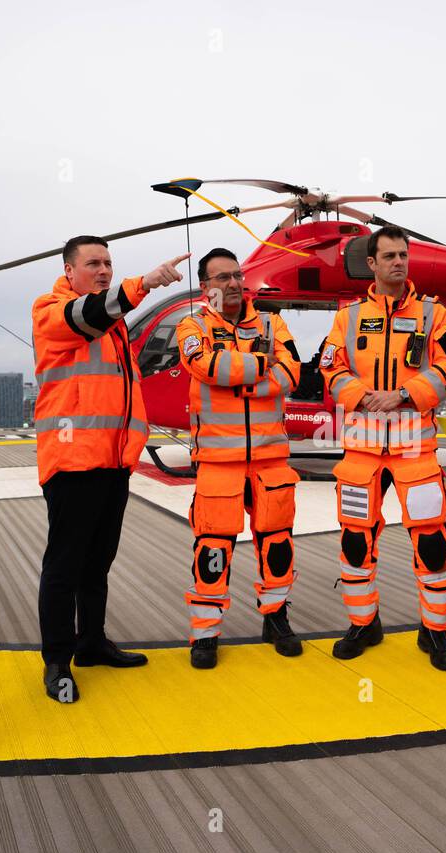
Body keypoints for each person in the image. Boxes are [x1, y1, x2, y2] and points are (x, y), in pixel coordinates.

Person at [31, 237, 187, 702]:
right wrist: (148, 282)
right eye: (94, 263)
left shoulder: (113, 324)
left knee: (97, 562)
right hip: (73, 459)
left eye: (109, 263)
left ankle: (92, 643)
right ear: (69, 269)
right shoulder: (52, 309)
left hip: (114, 460)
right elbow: (88, 316)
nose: (103, 270)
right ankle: (57, 660)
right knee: (63, 565)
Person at [320, 226, 446, 670]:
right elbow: (330, 366)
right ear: (372, 264)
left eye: (403, 255)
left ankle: (435, 632)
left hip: (414, 454)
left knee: (432, 545)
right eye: (389, 256)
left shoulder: (433, 316)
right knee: (355, 544)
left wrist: (403, 394)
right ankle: (364, 623)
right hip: (362, 455)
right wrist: (362, 396)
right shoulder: (347, 317)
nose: (398, 262)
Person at [174, 248, 304, 668]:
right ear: (204, 287)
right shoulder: (191, 325)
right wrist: (263, 367)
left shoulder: (271, 321)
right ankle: (206, 633)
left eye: (237, 275)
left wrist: (245, 378)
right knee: (212, 547)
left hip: (270, 459)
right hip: (217, 461)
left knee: (277, 542)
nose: (233, 284)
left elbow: (292, 373)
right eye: (222, 278)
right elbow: (205, 366)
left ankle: (276, 617)